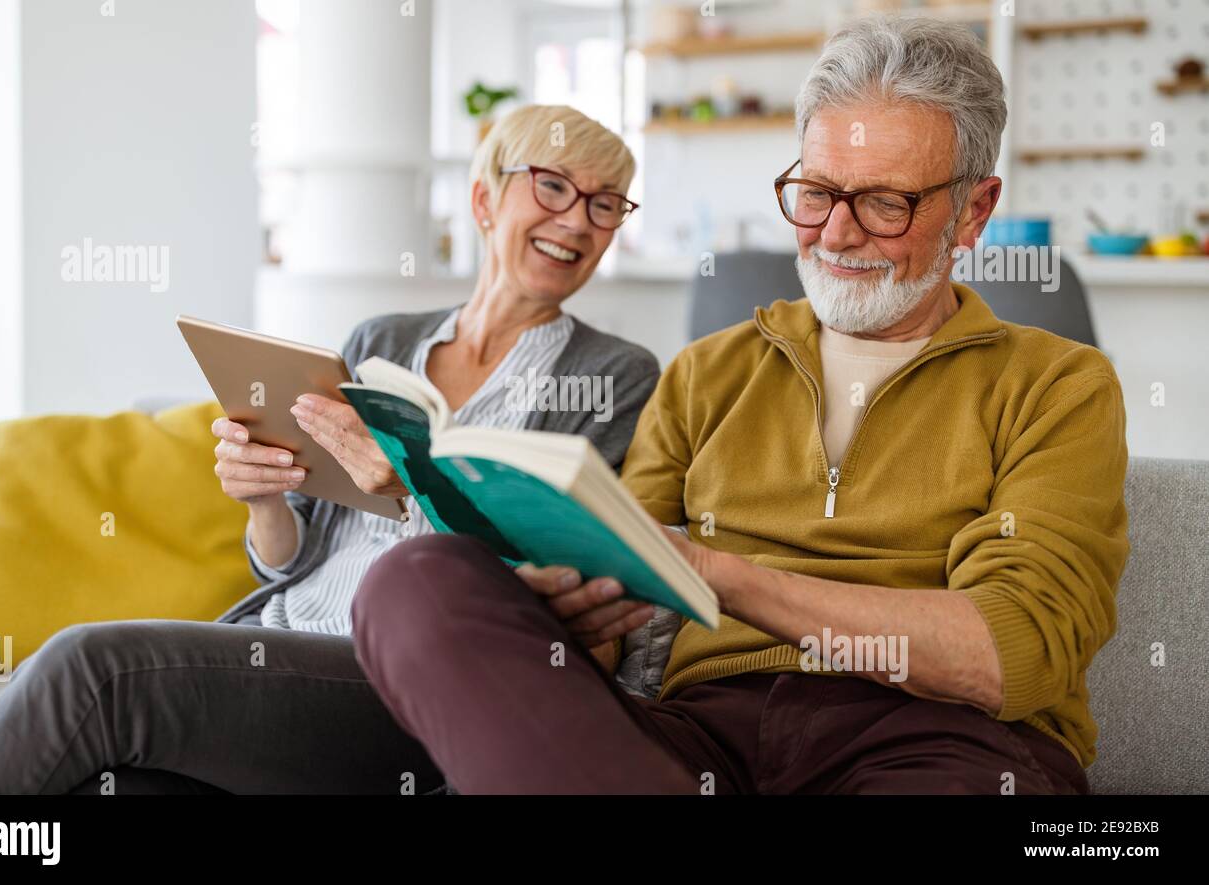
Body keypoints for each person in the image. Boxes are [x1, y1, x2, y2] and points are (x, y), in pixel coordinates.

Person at [352, 17, 1130, 795]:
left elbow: (1010, 650)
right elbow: (612, 631)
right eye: (817, 192)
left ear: (973, 210)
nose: (837, 232)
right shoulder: (706, 374)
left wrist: (715, 575)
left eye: (886, 203)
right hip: (701, 739)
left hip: (938, 741)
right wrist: (569, 615)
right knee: (414, 580)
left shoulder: (1057, 384)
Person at [0, 104, 660, 795]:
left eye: (605, 204)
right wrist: (264, 497)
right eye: (554, 186)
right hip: (279, 640)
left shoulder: (614, 376)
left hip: (415, 675)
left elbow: (550, 578)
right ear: (485, 201)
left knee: (94, 666)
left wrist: (408, 484)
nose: (578, 220)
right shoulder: (382, 340)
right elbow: (288, 559)